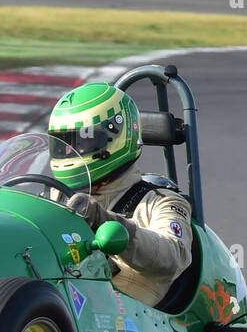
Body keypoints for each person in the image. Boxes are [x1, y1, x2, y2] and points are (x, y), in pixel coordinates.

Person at [47, 81, 194, 308]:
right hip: (57, 307)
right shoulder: (54, 196)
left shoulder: (159, 201)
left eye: (82, 140)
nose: (69, 151)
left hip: (123, 323)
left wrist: (104, 220)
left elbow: (173, 257)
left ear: (116, 136)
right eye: (63, 143)